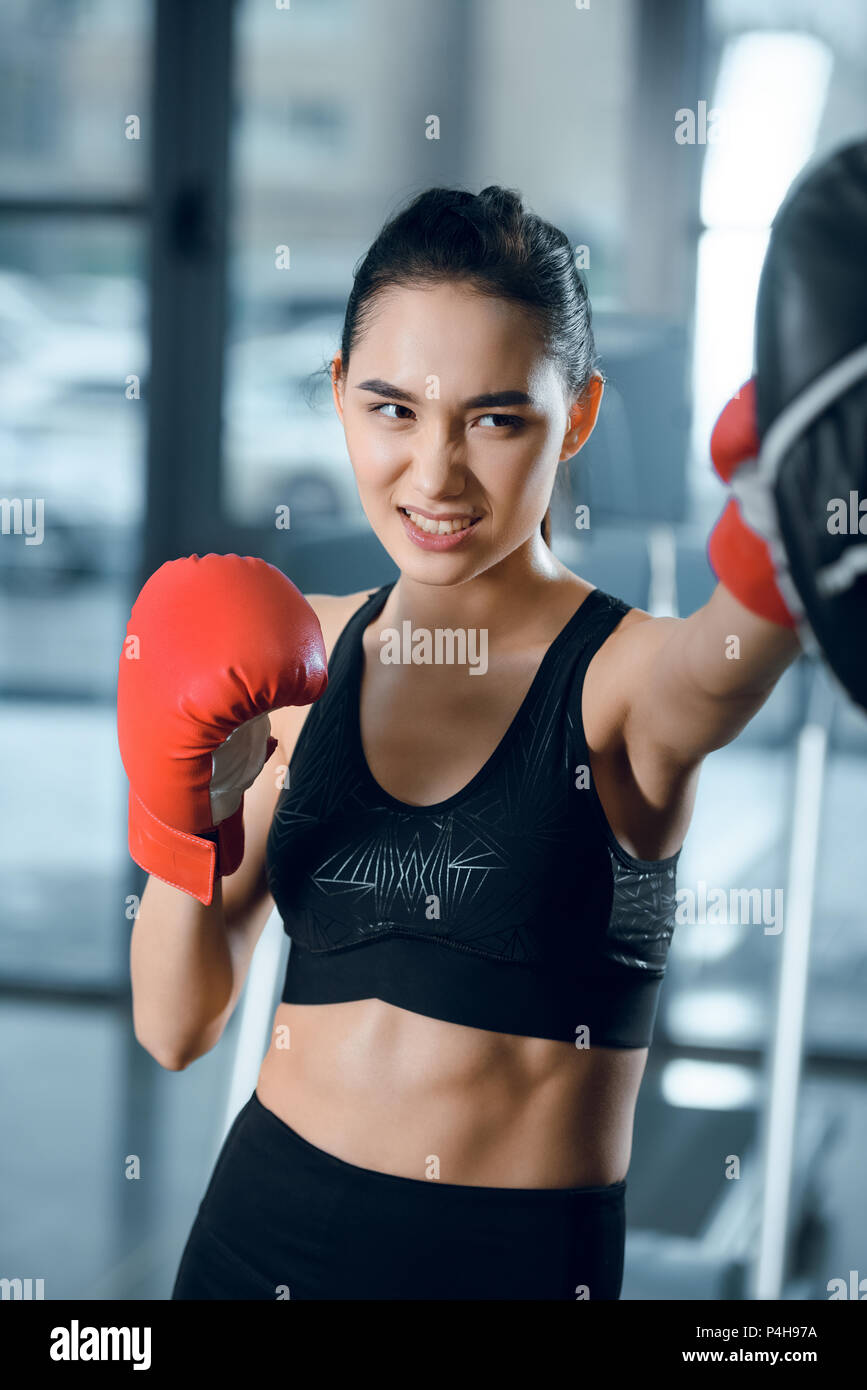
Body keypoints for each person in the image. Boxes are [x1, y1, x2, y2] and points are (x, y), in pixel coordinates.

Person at [122, 186, 802, 1300]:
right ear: (339, 395)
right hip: (255, 1244)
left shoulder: (626, 679)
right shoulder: (300, 653)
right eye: (391, 408)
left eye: (494, 418)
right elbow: (174, 1024)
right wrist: (178, 802)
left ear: (576, 417)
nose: (434, 473)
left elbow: (727, 654)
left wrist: (793, 513)